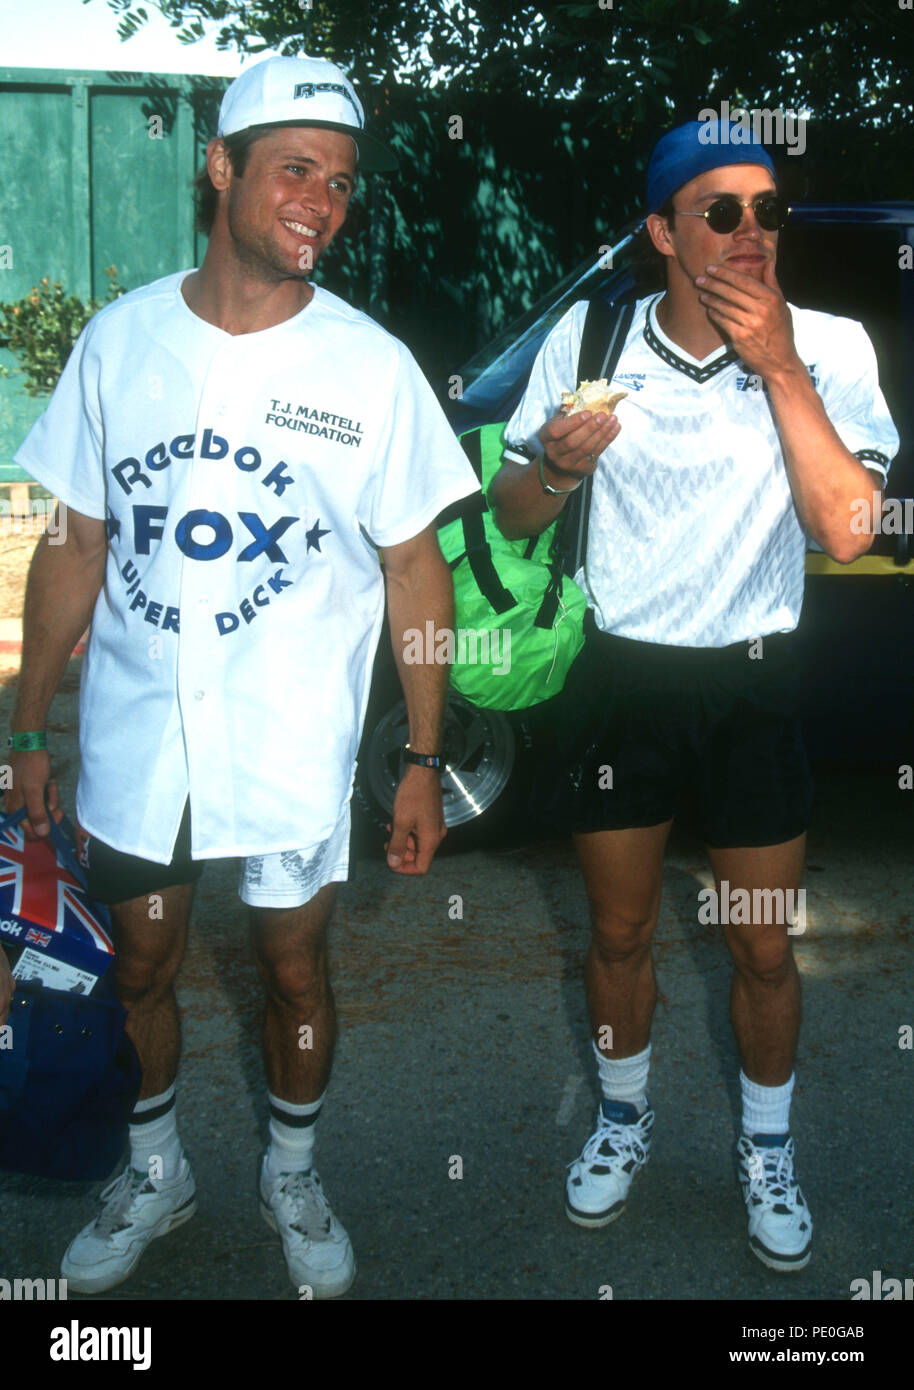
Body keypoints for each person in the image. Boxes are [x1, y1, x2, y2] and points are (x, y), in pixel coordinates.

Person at [5, 54, 479, 1298]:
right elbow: (73, 544)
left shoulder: (368, 366)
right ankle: (156, 1171)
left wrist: (423, 760)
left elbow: (417, 573)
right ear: (219, 169)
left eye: (339, 181)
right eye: (293, 170)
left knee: (291, 968)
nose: (321, 200)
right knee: (145, 962)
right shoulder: (121, 342)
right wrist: (28, 729)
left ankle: (293, 1167)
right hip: (138, 733)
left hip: (288, 740)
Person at [488, 119, 898, 1272]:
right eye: (720, 211)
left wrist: (774, 366)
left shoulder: (829, 346)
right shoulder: (592, 333)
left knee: (763, 949)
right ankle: (622, 1121)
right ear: (662, 230)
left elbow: (847, 529)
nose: (752, 232)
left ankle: (766, 1148)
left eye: (769, 212)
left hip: (752, 681)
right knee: (617, 933)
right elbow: (512, 514)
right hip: (622, 679)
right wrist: (559, 462)